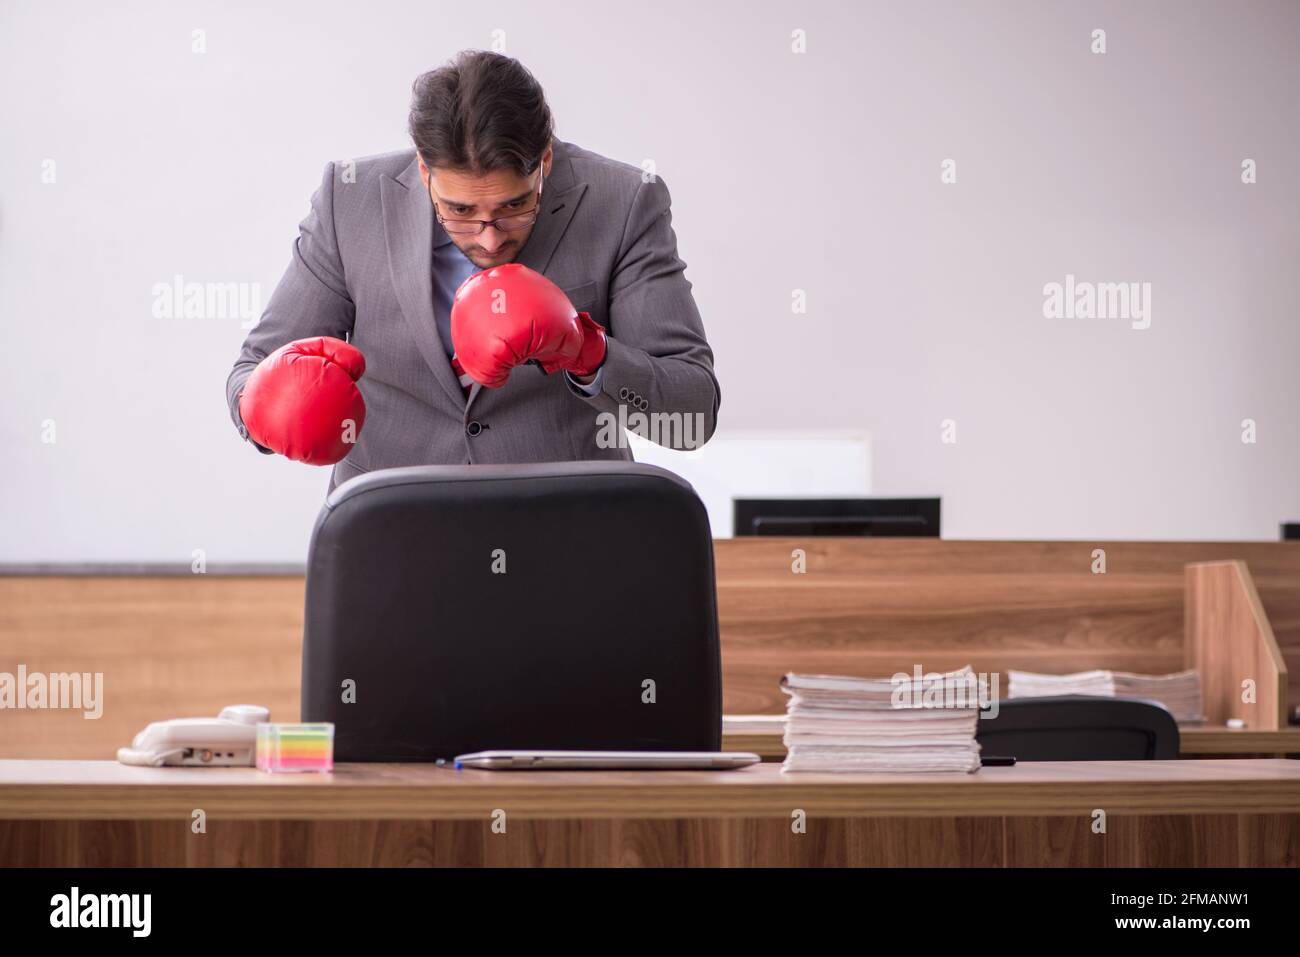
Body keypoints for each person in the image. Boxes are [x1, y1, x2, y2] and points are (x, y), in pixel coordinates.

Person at [225, 50, 718, 492]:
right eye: (460, 211)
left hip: (564, 531)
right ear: (425, 172)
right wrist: (268, 406)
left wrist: (587, 352)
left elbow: (692, 416)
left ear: (544, 160)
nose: (489, 236)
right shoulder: (349, 200)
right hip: (391, 532)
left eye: (515, 205)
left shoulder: (623, 202)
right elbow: (252, 368)